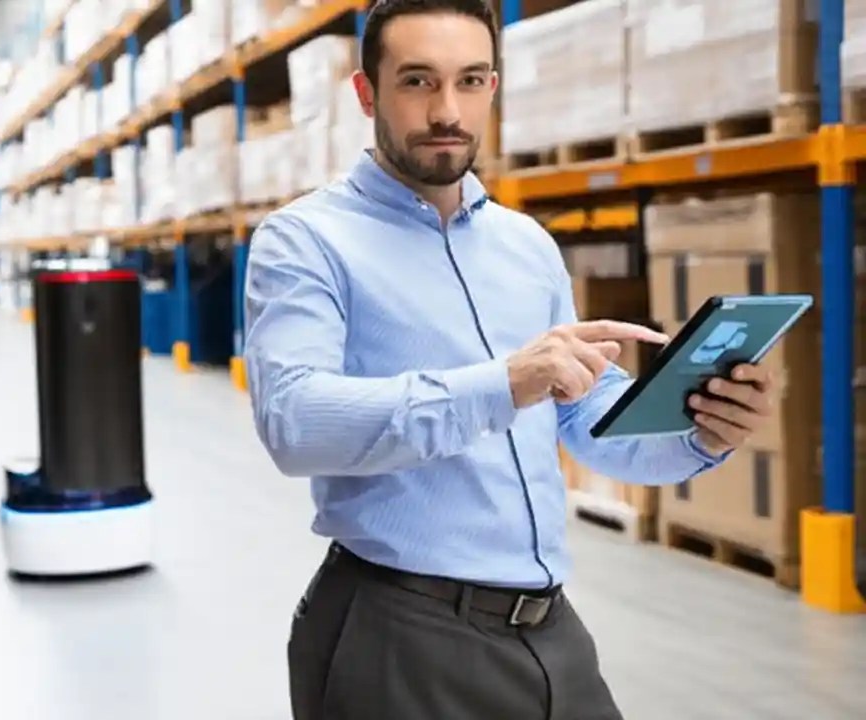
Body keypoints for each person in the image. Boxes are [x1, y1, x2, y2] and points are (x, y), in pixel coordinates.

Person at [241, 1, 778, 718]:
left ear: (493, 86)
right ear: (367, 93)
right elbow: (296, 424)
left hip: (548, 627)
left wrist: (700, 434)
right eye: (417, 82)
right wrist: (505, 383)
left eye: (470, 80)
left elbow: (587, 416)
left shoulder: (526, 246)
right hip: (398, 635)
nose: (447, 111)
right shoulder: (306, 242)